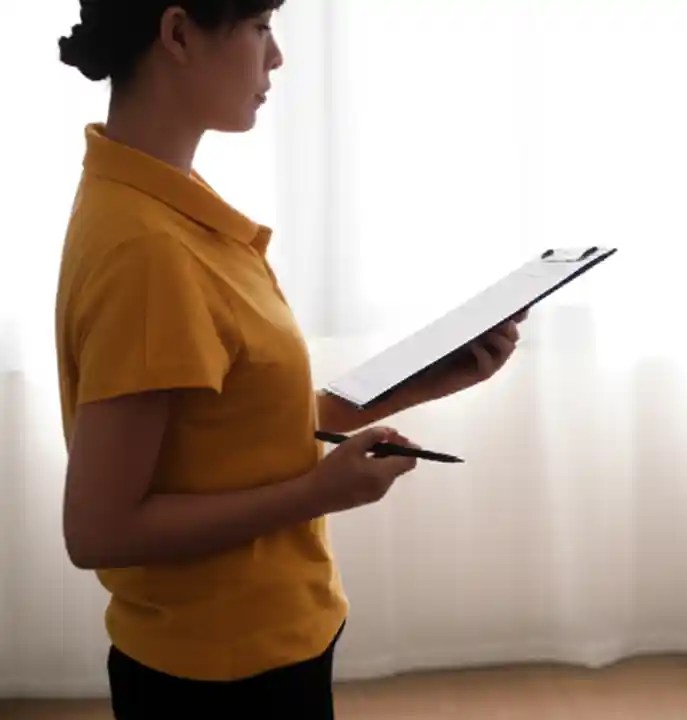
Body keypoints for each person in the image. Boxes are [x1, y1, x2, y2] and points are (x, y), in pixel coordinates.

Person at [53, 2, 523, 717]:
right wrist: (317, 493)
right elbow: (100, 530)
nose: (276, 58)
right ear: (179, 34)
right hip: (222, 675)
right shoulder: (149, 250)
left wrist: (425, 379)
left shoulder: (167, 207)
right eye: (260, 26)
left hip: (261, 641)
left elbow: (234, 428)